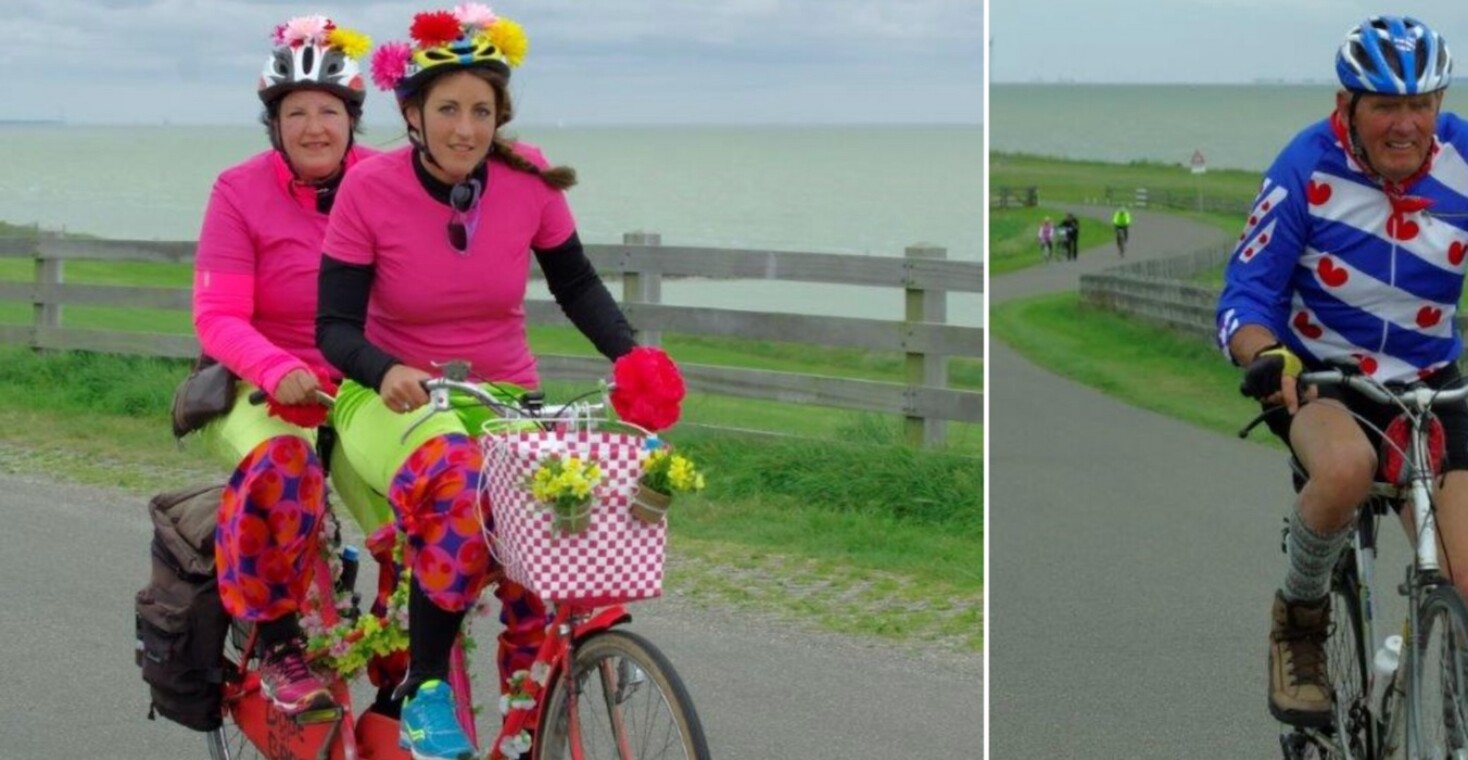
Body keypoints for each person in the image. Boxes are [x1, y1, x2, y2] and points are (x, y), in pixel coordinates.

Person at [316, 5, 638, 758]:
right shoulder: (369, 190)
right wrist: (385, 368)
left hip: (502, 398)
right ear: (412, 114)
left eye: (482, 111)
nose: (466, 128)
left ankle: (530, 719)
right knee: (456, 479)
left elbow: (578, 285)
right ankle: (428, 689)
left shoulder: (527, 177)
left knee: (554, 528)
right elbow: (332, 330)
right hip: (389, 397)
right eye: (449, 109)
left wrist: (634, 358)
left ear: (502, 116)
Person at [1215, 15, 1468, 728]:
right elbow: (1247, 294)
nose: (1405, 124)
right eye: (1386, 105)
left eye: (1422, 104)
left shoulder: (1466, 158)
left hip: (1433, 381)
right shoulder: (1304, 166)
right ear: (1347, 104)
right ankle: (1300, 619)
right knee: (1347, 470)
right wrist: (1264, 354)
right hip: (1327, 380)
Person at [191, 14, 376, 716]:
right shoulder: (238, 191)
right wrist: (275, 368)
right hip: (260, 383)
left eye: (328, 111)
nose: (313, 127)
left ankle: (400, 662)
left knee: (418, 512)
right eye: (295, 113)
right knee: (283, 469)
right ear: (274, 125)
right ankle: (275, 641)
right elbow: (218, 316)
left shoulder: (386, 182)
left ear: (351, 119)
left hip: (361, 382)